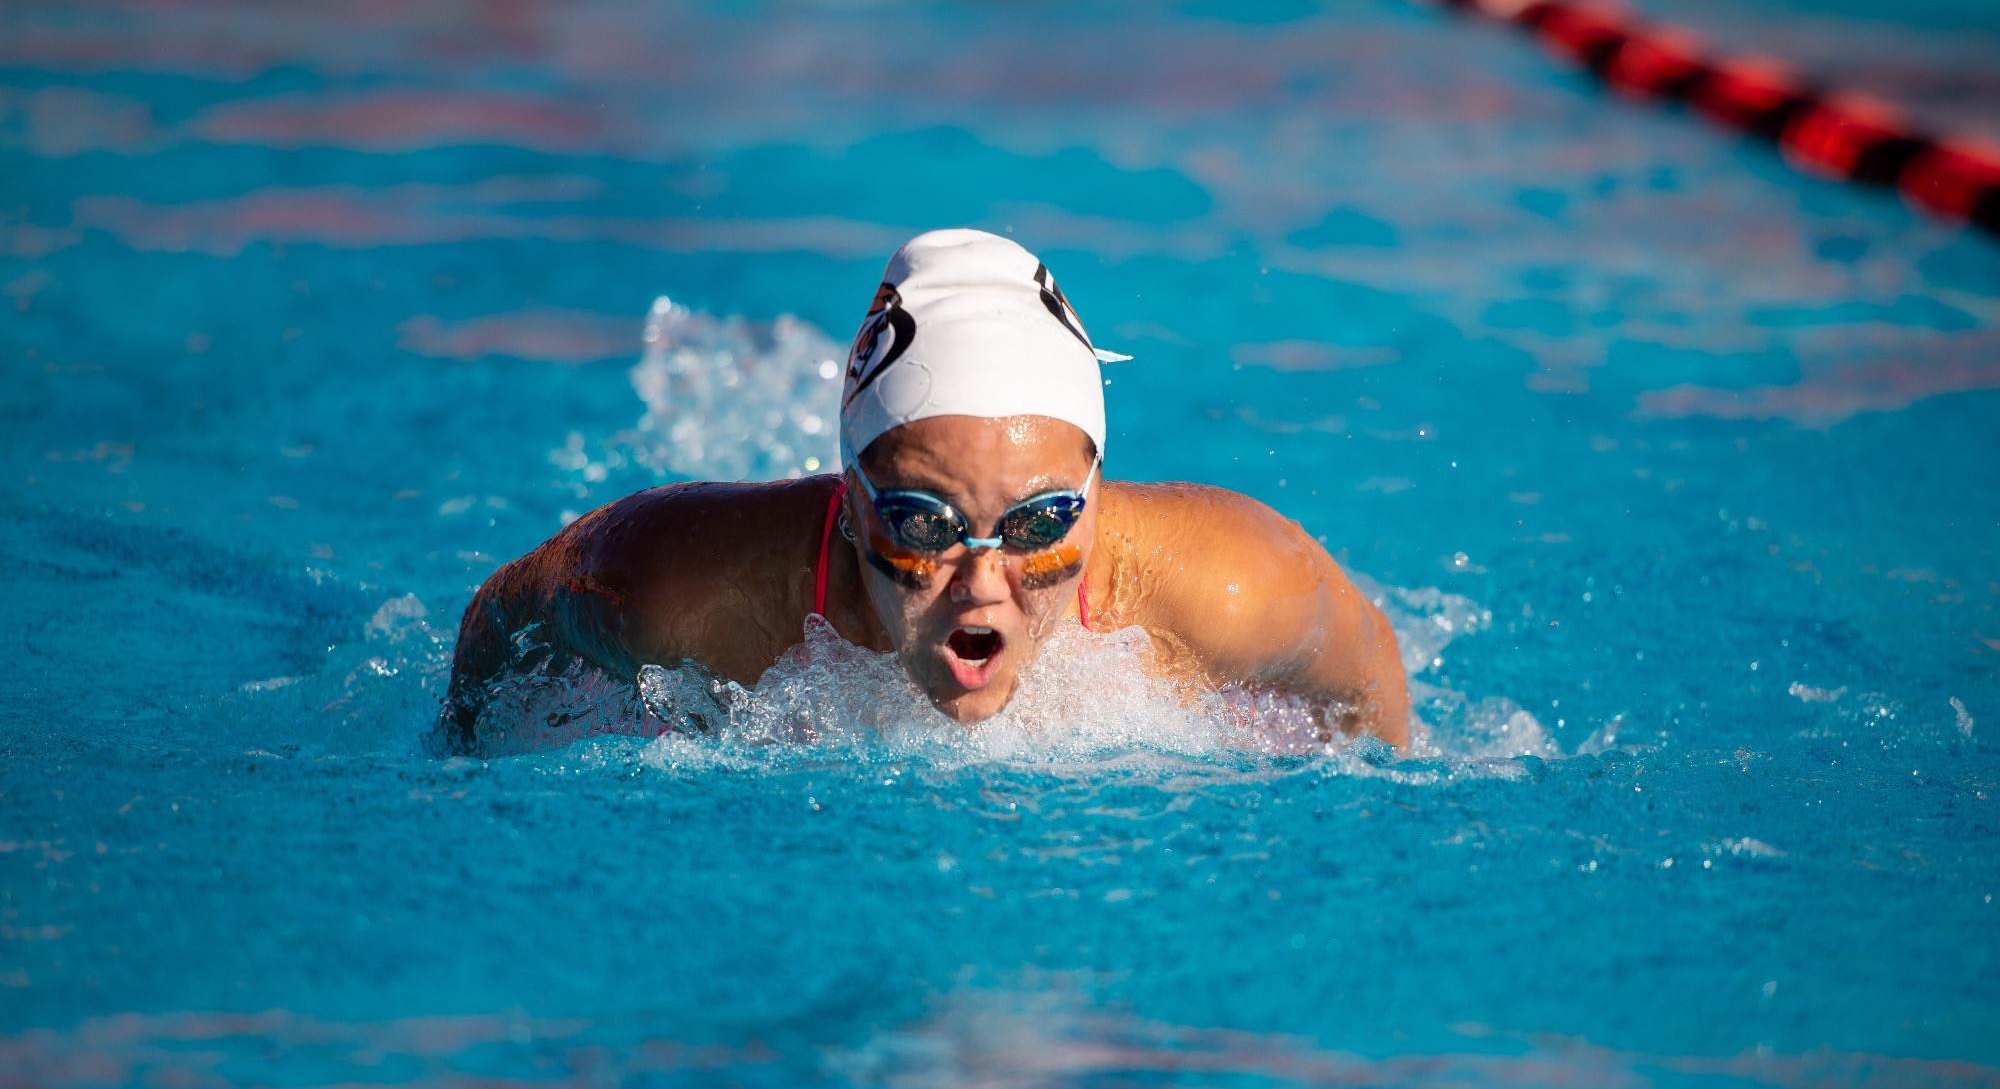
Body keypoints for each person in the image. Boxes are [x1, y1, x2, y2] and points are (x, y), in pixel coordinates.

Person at [443, 229, 1409, 748]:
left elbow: (1373, 688)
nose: (982, 583)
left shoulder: (1230, 586)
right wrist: (459, 752)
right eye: (923, 522)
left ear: (1094, 495)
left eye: (1038, 521)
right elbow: (504, 614)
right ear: (851, 497)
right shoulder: (683, 590)